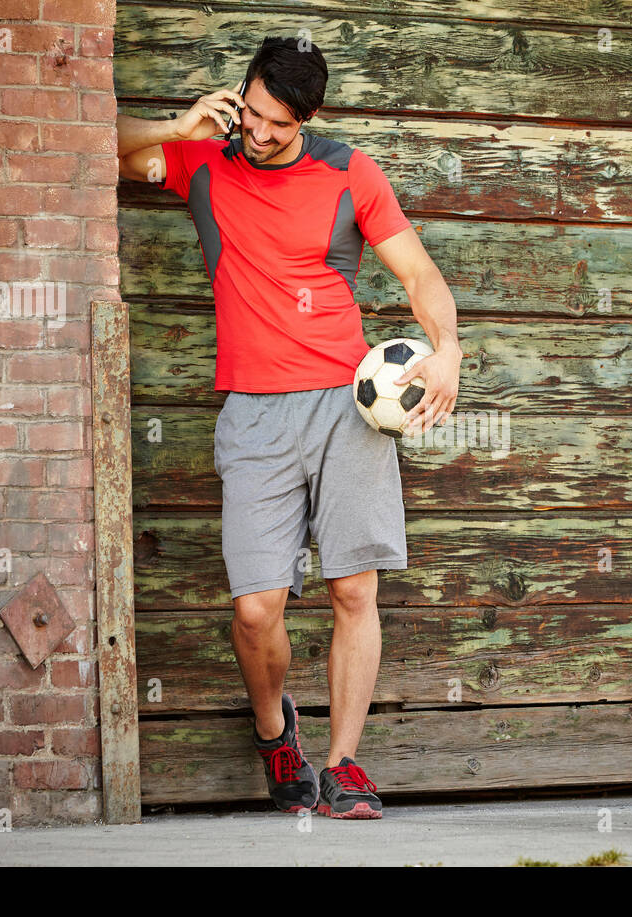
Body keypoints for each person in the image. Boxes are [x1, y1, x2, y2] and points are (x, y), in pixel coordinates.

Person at [115, 36, 461, 819]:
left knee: (352, 588)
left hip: (349, 405)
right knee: (255, 608)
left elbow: (420, 274)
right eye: (254, 114)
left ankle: (342, 767)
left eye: (279, 124)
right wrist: (178, 123)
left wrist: (450, 348)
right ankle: (276, 730)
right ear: (242, 92)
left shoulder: (350, 171)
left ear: (310, 117)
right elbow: (86, 146)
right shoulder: (201, 160)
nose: (260, 134)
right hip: (254, 410)